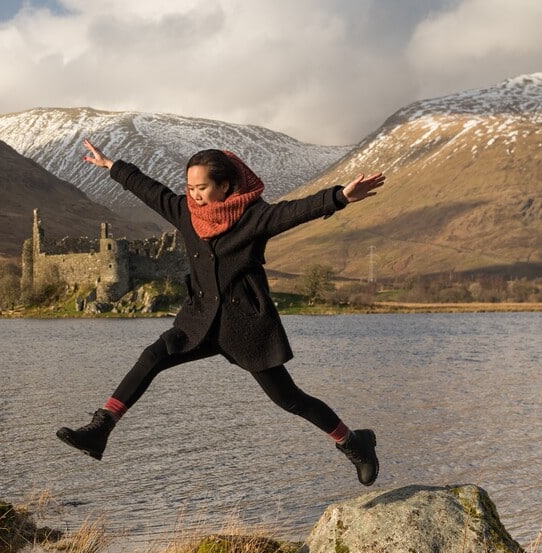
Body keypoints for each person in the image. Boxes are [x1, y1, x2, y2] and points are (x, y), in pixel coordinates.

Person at [56, 139, 386, 485]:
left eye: (202, 188)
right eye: (190, 187)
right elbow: (149, 190)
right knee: (153, 355)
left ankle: (354, 442)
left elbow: (294, 211)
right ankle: (101, 427)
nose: (194, 194)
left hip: (245, 326)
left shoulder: (254, 217)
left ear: (226, 186)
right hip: (198, 322)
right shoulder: (186, 212)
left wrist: (340, 196)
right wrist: (112, 166)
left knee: (289, 399)